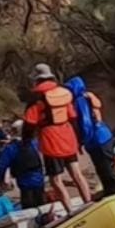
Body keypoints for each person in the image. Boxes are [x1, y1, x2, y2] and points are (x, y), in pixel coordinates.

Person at [24, 63, 92, 207]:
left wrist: (25, 142)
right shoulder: (63, 93)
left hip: (50, 141)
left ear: (37, 80)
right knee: (76, 173)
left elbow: (29, 124)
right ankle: (89, 202)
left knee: (56, 179)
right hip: (68, 136)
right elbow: (73, 118)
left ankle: (70, 211)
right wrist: (78, 140)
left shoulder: (36, 99)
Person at [67, 76, 115, 197]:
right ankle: (113, 190)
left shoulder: (80, 102)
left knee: (104, 169)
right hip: (105, 135)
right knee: (109, 167)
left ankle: (113, 193)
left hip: (96, 139)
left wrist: (81, 141)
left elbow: (86, 124)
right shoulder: (88, 97)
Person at [0, 119, 47, 209]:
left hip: (24, 183)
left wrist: (0, 180)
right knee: (42, 203)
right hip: (39, 179)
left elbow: (2, 166)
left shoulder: (11, 148)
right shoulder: (34, 143)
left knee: (29, 206)